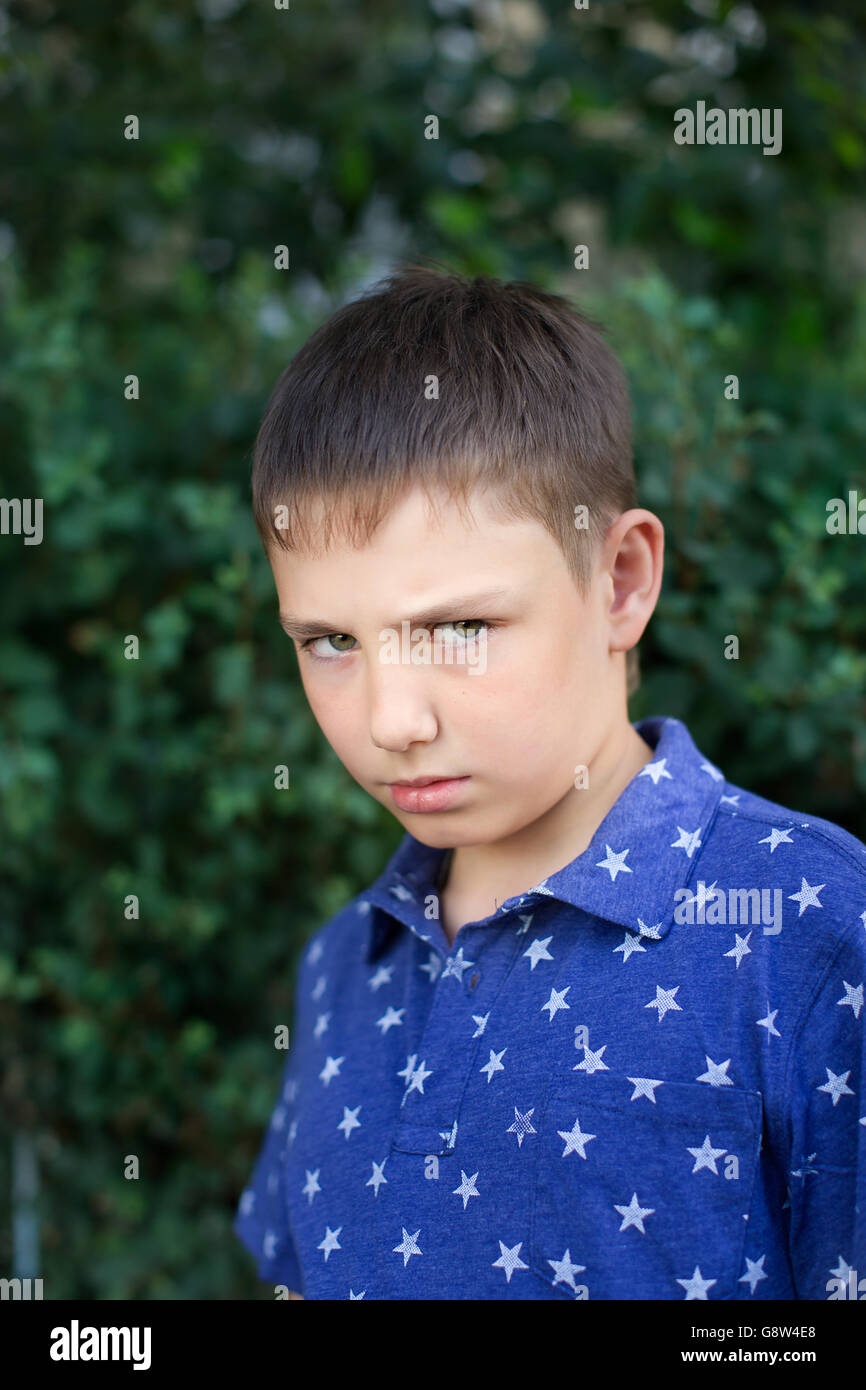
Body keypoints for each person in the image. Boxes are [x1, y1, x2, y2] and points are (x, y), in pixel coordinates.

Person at [233, 266, 865, 1300]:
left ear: (620, 581)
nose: (392, 720)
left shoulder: (809, 931)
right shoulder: (344, 962)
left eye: (460, 627)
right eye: (331, 641)